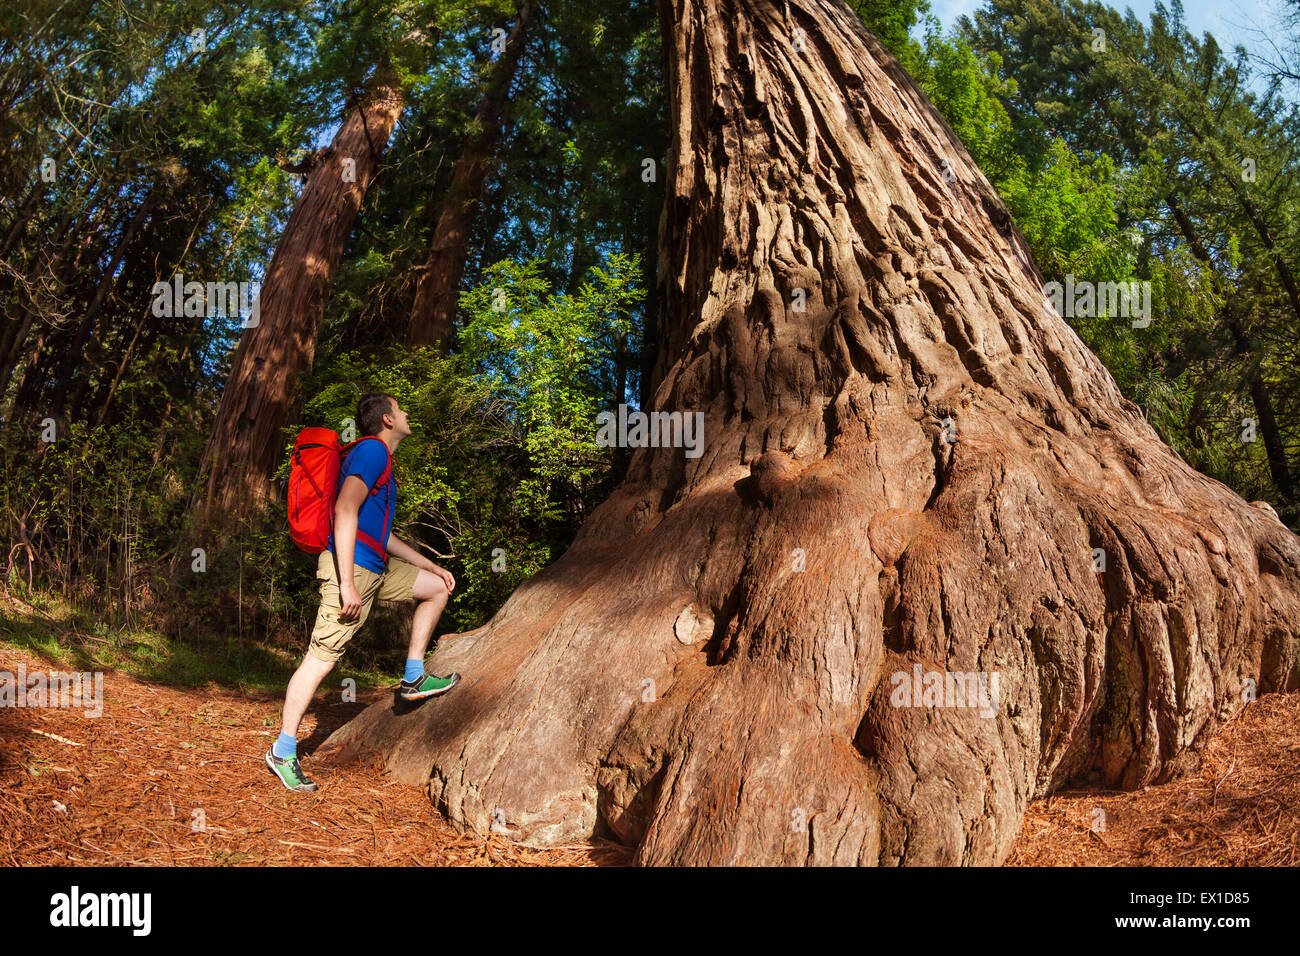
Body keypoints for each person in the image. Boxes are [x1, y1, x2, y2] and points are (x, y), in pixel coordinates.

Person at [266, 392, 460, 792]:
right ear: (387, 420)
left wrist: (431, 565)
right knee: (320, 660)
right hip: (350, 569)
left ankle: (413, 678)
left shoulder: (381, 459)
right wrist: (347, 583)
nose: (407, 414)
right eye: (401, 409)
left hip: (375, 566)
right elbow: (344, 510)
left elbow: (381, 534)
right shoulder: (372, 452)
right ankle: (283, 751)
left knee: (437, 588)